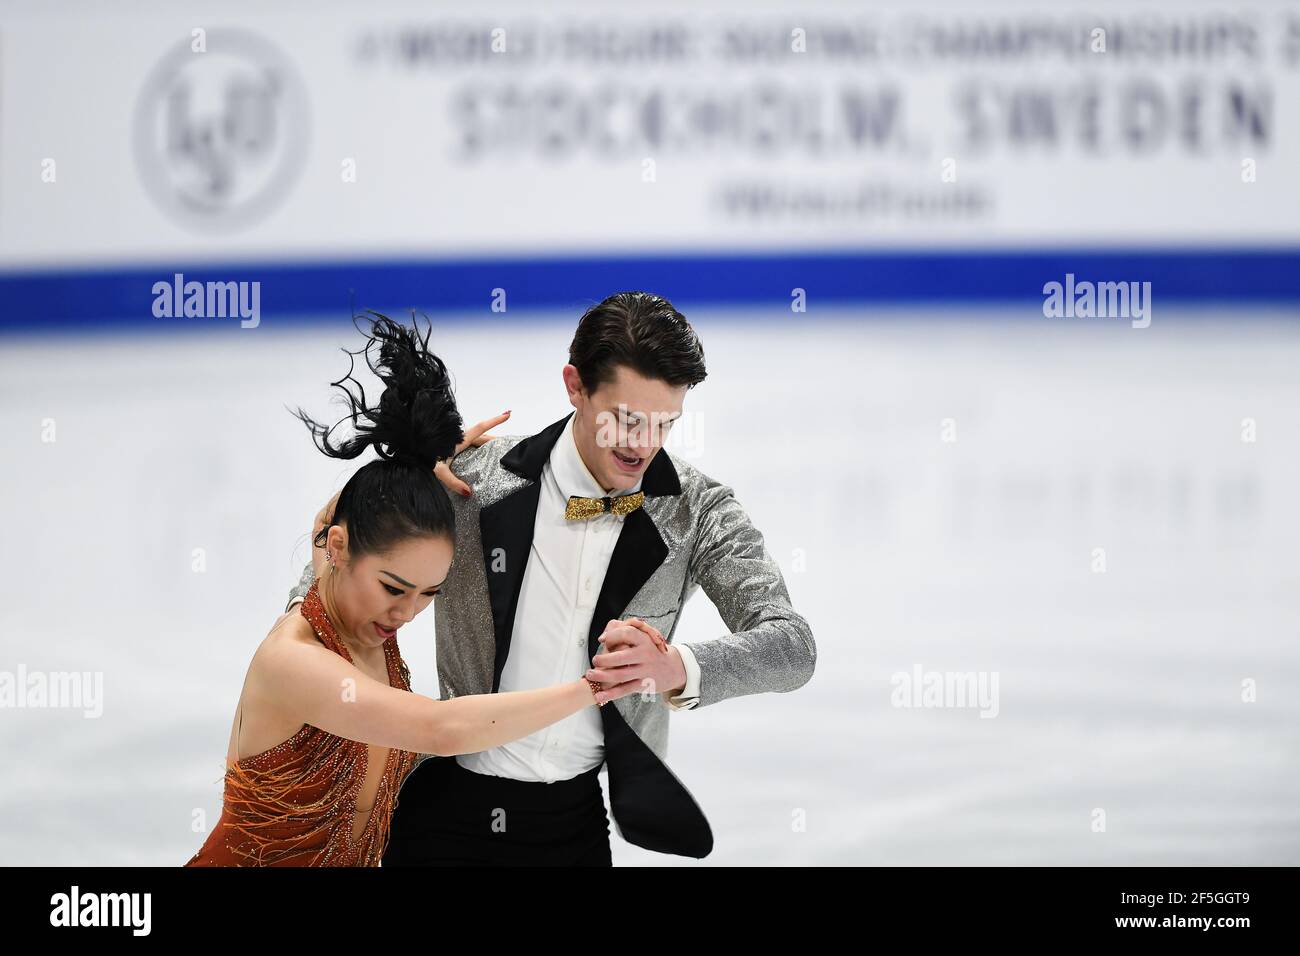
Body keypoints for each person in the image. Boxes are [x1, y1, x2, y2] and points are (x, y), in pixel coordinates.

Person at [285, 291, 817, 865]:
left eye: (665, 422)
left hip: (575, 826)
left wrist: (676, 668)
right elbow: (335, 586)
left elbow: (793, 647)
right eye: (626, 419)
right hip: (443, 812)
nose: (644, 444)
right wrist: (389, 489)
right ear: (575, 387)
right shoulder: (472, 483)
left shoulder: (698, 511)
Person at [185, 312, 639, 867]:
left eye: (429, 594)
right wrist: (593, 688)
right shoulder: (292, 660)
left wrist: (428, 465)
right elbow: (440, 730)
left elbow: (327, 524)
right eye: (394, 586)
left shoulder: (361, 622)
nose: (406, 612)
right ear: (341, 548)